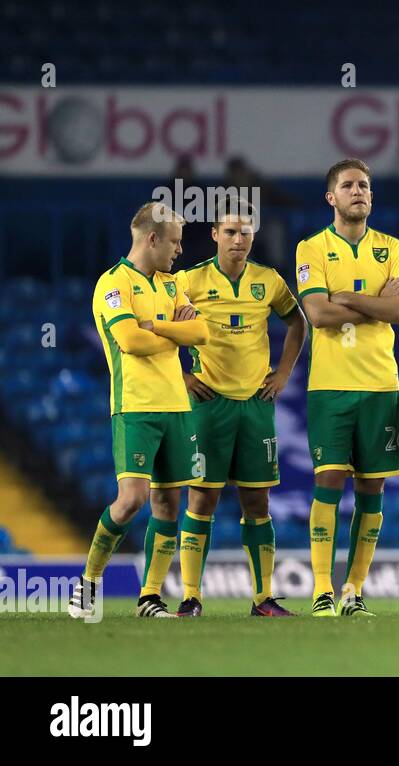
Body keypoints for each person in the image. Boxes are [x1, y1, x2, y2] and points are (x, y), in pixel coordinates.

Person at [68, 202, 210, 619]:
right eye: (175, 242)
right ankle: (88, 583)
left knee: (169, 504)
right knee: (131, 500)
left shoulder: (171, 285)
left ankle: (149, 597)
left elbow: (200, 332)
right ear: (152, 239)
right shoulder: (113, 284)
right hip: (135, 407)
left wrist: (159, 327)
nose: (180, 251)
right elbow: (130, 341)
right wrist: (174, 331)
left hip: (176, 406)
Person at [172, 198, 307, 617]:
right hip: (208, 403)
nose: (239, 239)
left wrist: (283, 374)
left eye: (246, 232)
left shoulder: (269, 281)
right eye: (230, 231)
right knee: (202, 499)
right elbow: (154, 328)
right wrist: (183, 375)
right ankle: (191, 596)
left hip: (255, 405)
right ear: (214, 235)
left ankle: (263, 598)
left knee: (257, 502)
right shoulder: (188, 281)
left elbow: (298, 322)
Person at [295, 158, 399, 617]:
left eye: (364, 185)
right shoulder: (311, 249)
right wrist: (378, 303)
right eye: (348, 185)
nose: (358, 191)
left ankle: (353, 591)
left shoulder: (391, 247)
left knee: (372, 490)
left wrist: (348, 298)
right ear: (331, 197)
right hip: (330, 386)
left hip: (381, 384)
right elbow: (319, 315)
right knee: (328, 483)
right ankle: (322, 590)